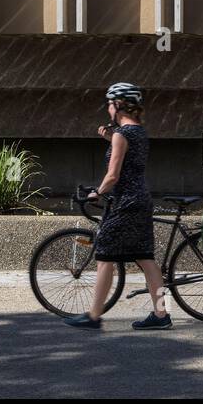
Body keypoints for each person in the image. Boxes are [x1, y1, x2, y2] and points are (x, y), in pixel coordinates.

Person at [66, 82, 172, 331]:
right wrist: (109, 138)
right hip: (141, 200)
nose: (108, 108)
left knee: (104, 257)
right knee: (146, 259)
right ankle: (161, 314)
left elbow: (113, 175)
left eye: (110, 104)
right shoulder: (138, 132)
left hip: (125, 203)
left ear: (119, 105)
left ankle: (93, 315)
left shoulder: (122, 135)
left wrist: (96, 192)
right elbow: (129, 159)